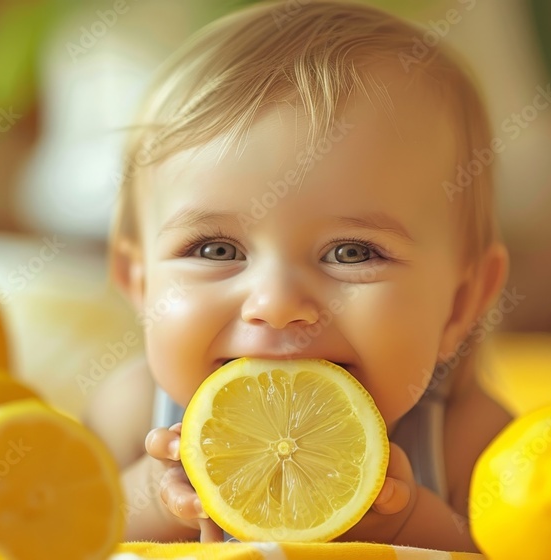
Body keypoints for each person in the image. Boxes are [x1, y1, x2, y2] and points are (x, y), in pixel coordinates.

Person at [84, 0, 513, 550]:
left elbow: (516, 545)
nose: (277, 302)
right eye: (216, 249)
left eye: (353, 253)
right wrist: (149, 497)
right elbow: (58, 529)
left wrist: (412, 526)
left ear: (459, 303)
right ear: (140, 285)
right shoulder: (130, 410)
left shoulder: (466, 438)